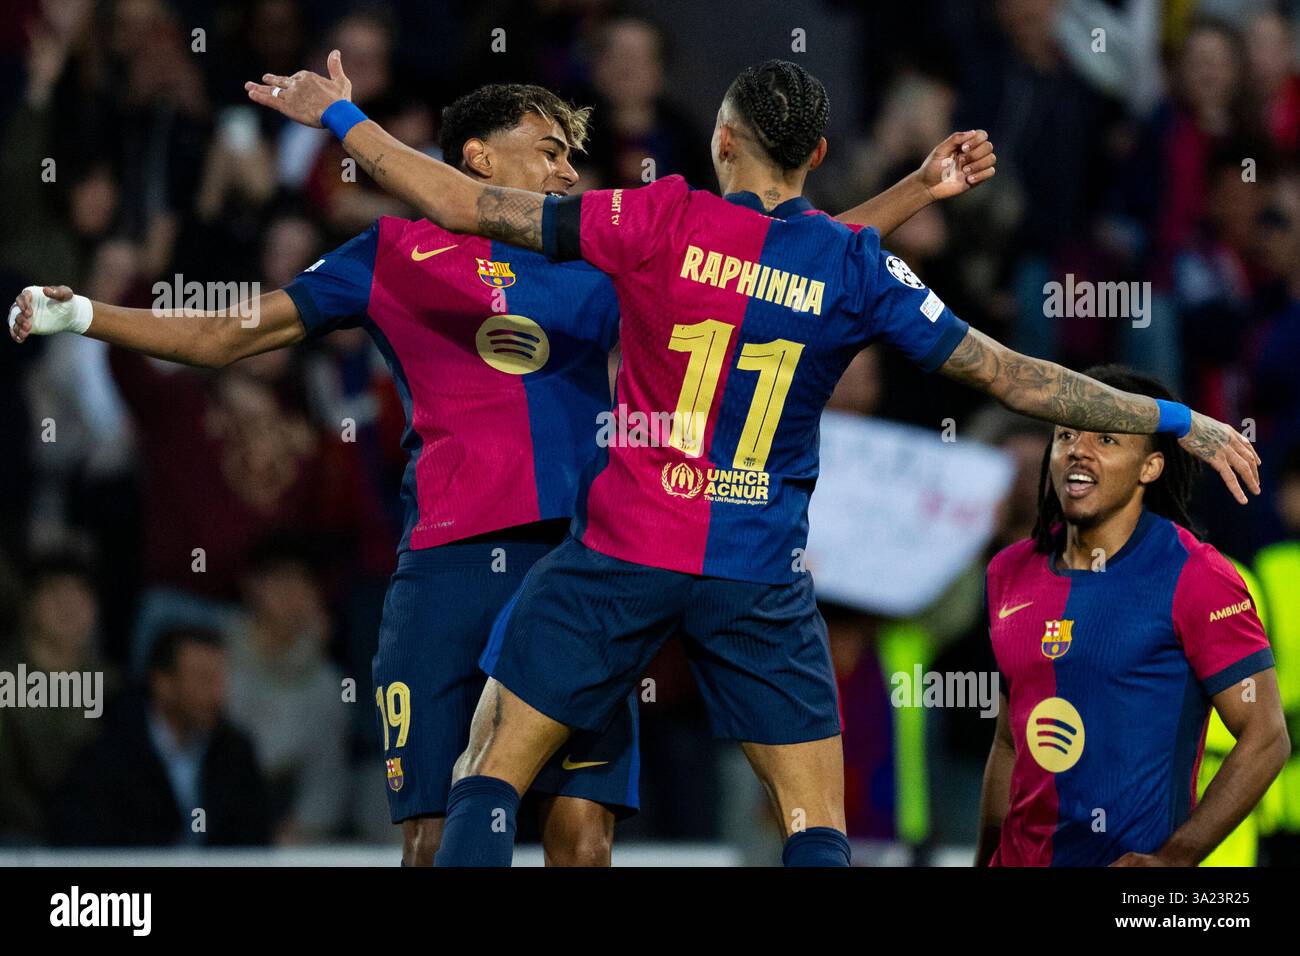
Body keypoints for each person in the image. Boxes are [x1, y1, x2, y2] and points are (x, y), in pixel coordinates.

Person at [244, 54, 1260, 867]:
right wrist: (1172, 414)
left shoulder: (654, 215)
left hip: (621, 553)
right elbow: (1011, 376)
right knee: (814, 817)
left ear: (721, 139)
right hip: (755, 573)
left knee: (492, 768)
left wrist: (342, 119)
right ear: (816, 152)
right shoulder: (852, 263)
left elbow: (465, 206)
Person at [9, 81, 990, 865]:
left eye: (571, 152)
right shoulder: (389, 251)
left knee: (581, 835)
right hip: (443, 569)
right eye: (547, 147)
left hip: (583, 570)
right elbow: (230, 333)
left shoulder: (602, 262)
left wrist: (911, 191)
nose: (568, 164)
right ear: (476, 159)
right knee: (434, 836)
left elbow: (776, 270)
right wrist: (87, 315)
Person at [976, 367, 1287, 866]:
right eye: (1067, 434)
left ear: (1151, 467)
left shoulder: (1196, 575)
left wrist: (1174, 858)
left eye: (1106, 437)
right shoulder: (1008, 571)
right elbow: (1010, 741)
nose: (1079, 449)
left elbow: (1267, 735)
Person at [53, 625, 271, 848]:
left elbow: (252, 841)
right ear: (162, 683)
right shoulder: (106, 750)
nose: (217, 694)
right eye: (204, 679)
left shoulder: (235, 750)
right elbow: (85, 841)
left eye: (220, 680)